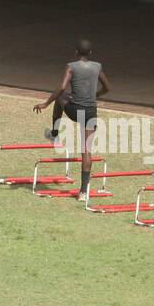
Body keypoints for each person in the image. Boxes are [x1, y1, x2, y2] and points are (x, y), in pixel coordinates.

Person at [33, 39, 110, 199]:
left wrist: (46, 103)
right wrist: (95, 95)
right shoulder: (97, 66)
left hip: (76, 110)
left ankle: (54, 134)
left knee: (61, 96)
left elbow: (62, 87)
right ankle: (83, 192)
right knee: (86, 152)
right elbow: (108, 87)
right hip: (91, 112)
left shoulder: (71, 66)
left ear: (76, 53)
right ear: (90, 54)